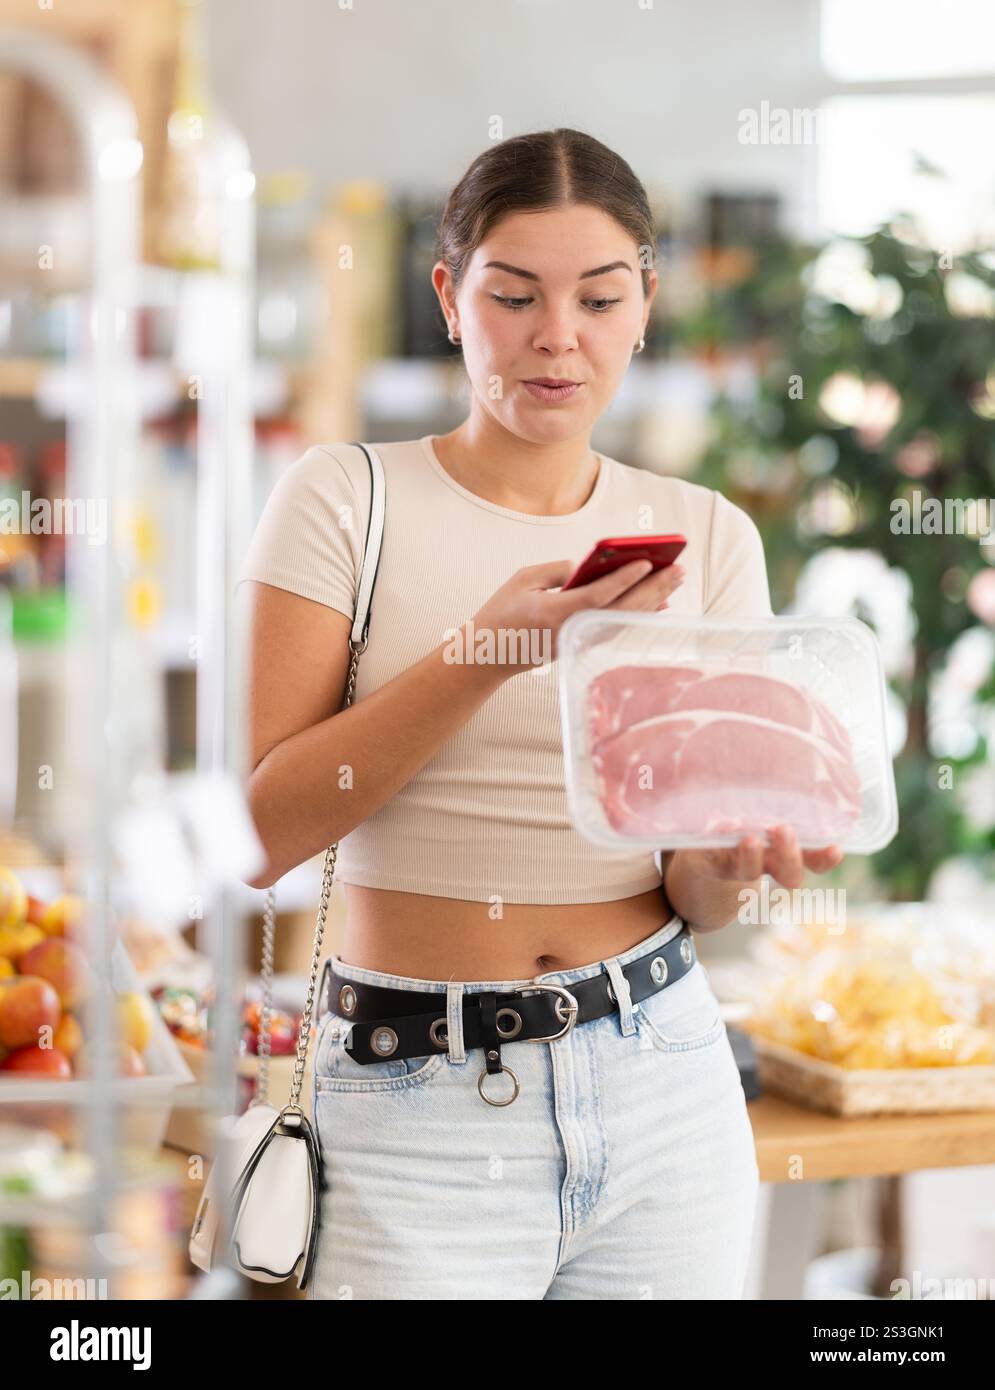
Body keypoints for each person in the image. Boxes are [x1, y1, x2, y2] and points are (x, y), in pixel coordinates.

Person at [235, 127, 843, 1300]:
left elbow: (690, 888)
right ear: (449, 299)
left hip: (661, 1071)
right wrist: (489, 651)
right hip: (411, 1098)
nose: (556, 336)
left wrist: (733, 861)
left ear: (645, 306)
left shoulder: (709, 533)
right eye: (512, 295)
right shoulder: (343, 499)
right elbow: (263, 833)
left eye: (598, 298)